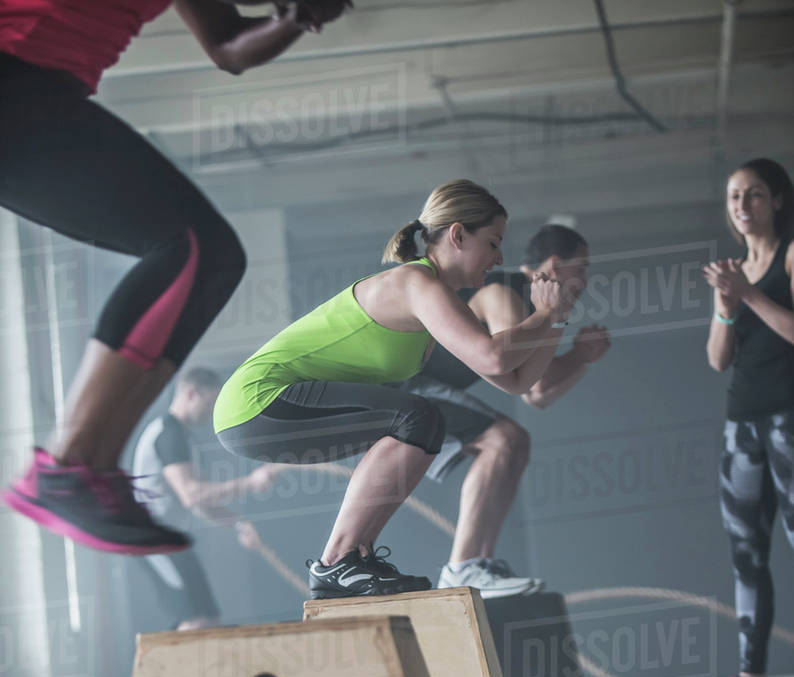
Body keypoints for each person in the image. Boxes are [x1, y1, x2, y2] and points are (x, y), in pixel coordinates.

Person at [0, 0, 351, 556]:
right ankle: (67, 467)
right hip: (15, 76)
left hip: (42, 89)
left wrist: (297, 17)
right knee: (183, 245)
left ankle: (90, 471)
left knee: (213, 257)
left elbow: (228, 44)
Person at [214, 179, 567, 599]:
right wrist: (541, 316)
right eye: (492, 243)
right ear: (458, 235)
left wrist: (556, 321)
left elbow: (515, 380)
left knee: (419, 422)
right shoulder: (416, 284)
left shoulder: (439, 301)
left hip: (265, 413)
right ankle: (338, 561)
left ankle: (350, 563)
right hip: (260, 401)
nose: (499, 257)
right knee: (417, 417)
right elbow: (494, 357)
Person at [405, 223, 610, 596]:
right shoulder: (503, 291)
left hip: (431, 391)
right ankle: (462, 567)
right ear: (554, 265)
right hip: (407, 389)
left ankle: (479, 564)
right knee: (504, 439)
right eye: (581, 269)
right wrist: (578, 351)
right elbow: (528, 379)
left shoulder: (533, 308)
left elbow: (537, 398)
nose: (584, 281)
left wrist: (580, 359)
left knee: (516, 443)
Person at [699, 157, 794, 677]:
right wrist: (726, 304)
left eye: (754, 194)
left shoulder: (793, 255)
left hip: (792, 417)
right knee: (746, 553)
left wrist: (751, 295)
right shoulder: (733, 271)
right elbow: (718, 360)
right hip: (743, 423)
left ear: (777, 201)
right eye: (735, 195)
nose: (742, 205)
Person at [131, 367, 275, 629]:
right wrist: (251, 483)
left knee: (210, 619)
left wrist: (238, 523)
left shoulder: (183, 437)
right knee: (195, 621)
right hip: (152, 540)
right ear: (191, 393)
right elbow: (192, 495)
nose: (210, 414)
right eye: (209, 404)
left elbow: (200, 503)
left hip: (172, 539)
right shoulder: (168, 433)